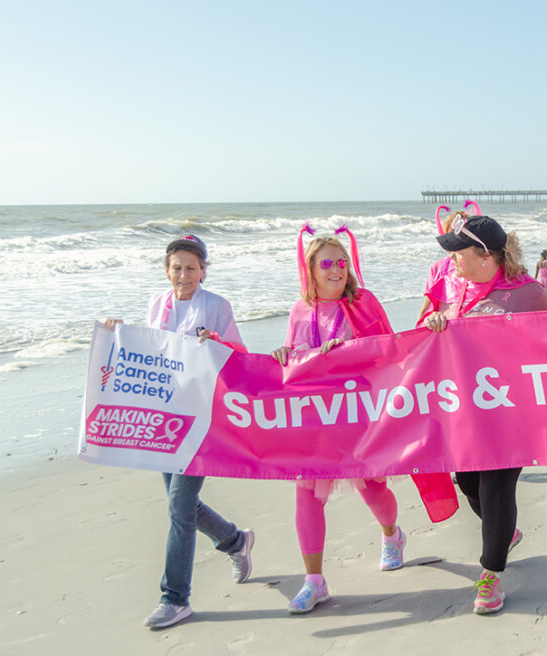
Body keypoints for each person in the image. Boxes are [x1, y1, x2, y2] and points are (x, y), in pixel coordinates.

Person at [104, 234, 254, 630]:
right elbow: (147, 351)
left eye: (191, 267)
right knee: (182, 504)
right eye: (176, 267)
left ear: (204, 270)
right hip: (164, 419)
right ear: (166, 269)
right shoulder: (158, 303)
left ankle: (175, 598)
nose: (183, 274)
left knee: (178, 508)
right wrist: (116, 333)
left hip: (203, 419)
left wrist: (216, 341)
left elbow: (239, 357)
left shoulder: (218, 307)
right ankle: (235, 541)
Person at [271, 230, 410, 614]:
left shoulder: (364, 303)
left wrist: (349, 351)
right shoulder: (299, 309)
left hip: (359, 413)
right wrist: (286, 353)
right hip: (315, 418)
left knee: (371, 488)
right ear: (310, 270)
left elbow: (389, 352)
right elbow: (296, 360)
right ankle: (314, 581)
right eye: (327, 263)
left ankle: (391, 535)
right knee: (307, 493)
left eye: (342, 262)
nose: (336, 270)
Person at [423, 213, 547, 614]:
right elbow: (424, 338)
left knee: (497, 490)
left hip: (511, 414)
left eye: (458, 253)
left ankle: (490, 574)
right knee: (469, 485)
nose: (452, 260)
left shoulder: (528, 293)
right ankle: (505, 533)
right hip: (466, 412)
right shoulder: (452, 288)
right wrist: (433, 321)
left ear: (485, 256)